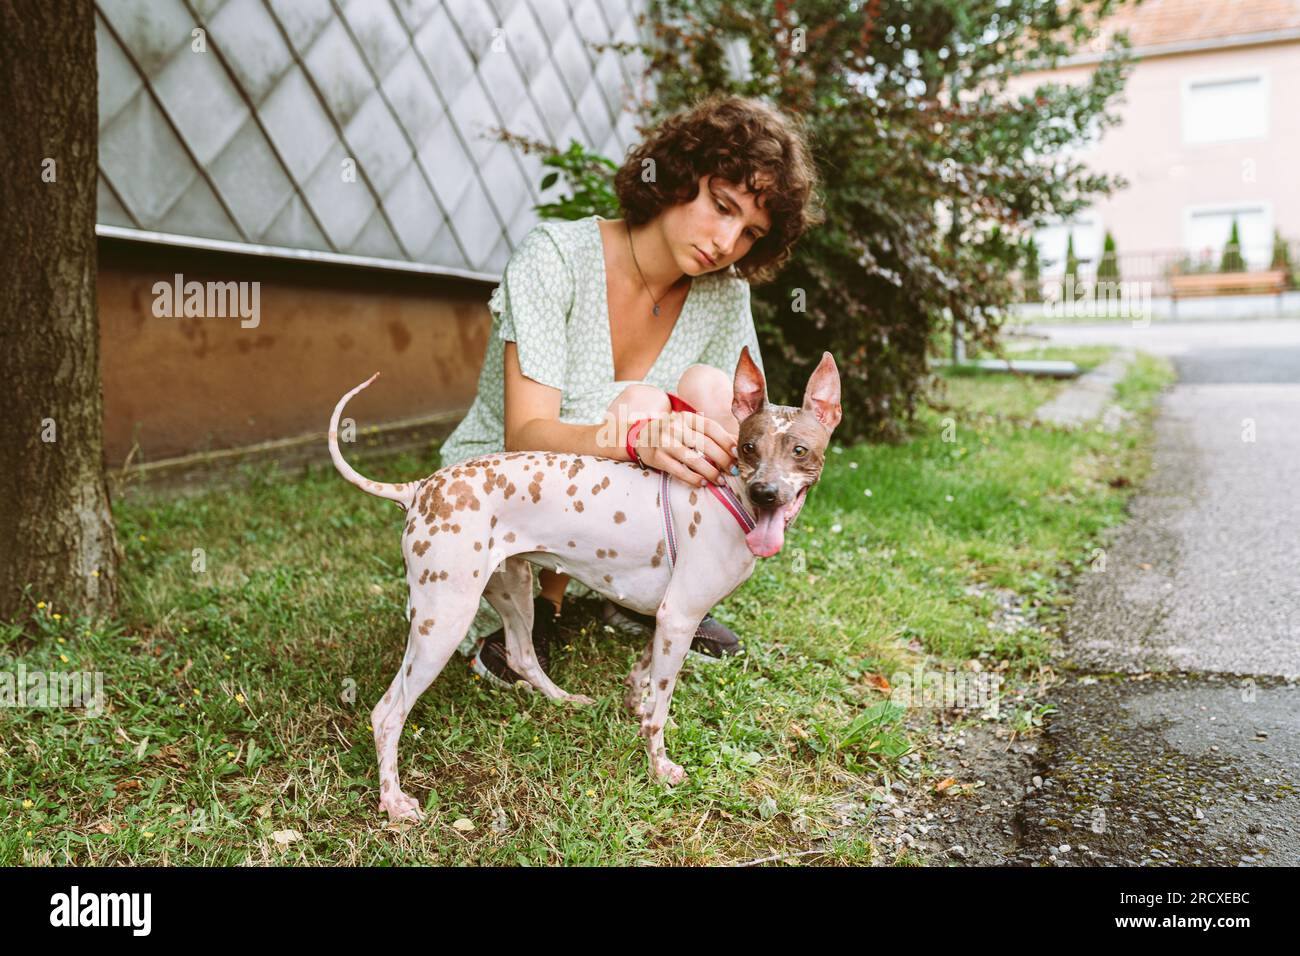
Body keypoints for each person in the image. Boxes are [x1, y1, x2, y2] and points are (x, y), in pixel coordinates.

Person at [436, 92, 824, 687]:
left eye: (750, 232)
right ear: (677, 177)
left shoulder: (725, 295)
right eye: (721, 206)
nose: (726, 242)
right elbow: (526, 434)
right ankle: (548, 606)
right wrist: (640, 437)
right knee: (638, 404)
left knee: (712, 388)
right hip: (506, 489)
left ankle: (651, 585)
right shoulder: (555, 259)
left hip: (625, 501)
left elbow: (739, 423)